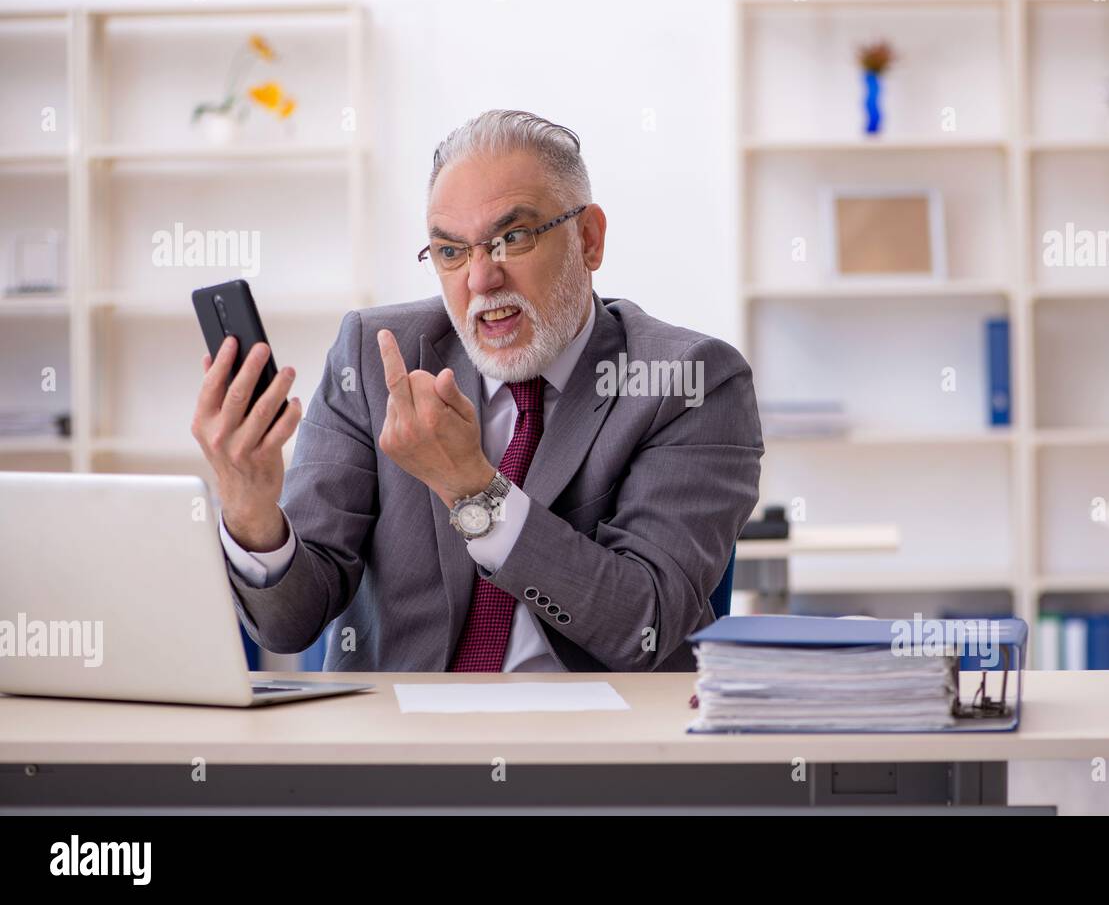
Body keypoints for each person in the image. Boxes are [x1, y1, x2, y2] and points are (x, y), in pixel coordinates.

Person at [191, 109, 763, 672]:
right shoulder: (372, 358)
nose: (481, 278)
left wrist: (472, 491)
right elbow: (289, 625)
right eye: (451, 251)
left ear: (589, 239)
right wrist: (250, 509)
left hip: (589, 727)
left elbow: (643, 626)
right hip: (397, 727)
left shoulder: (688, 380)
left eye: (512, 238)